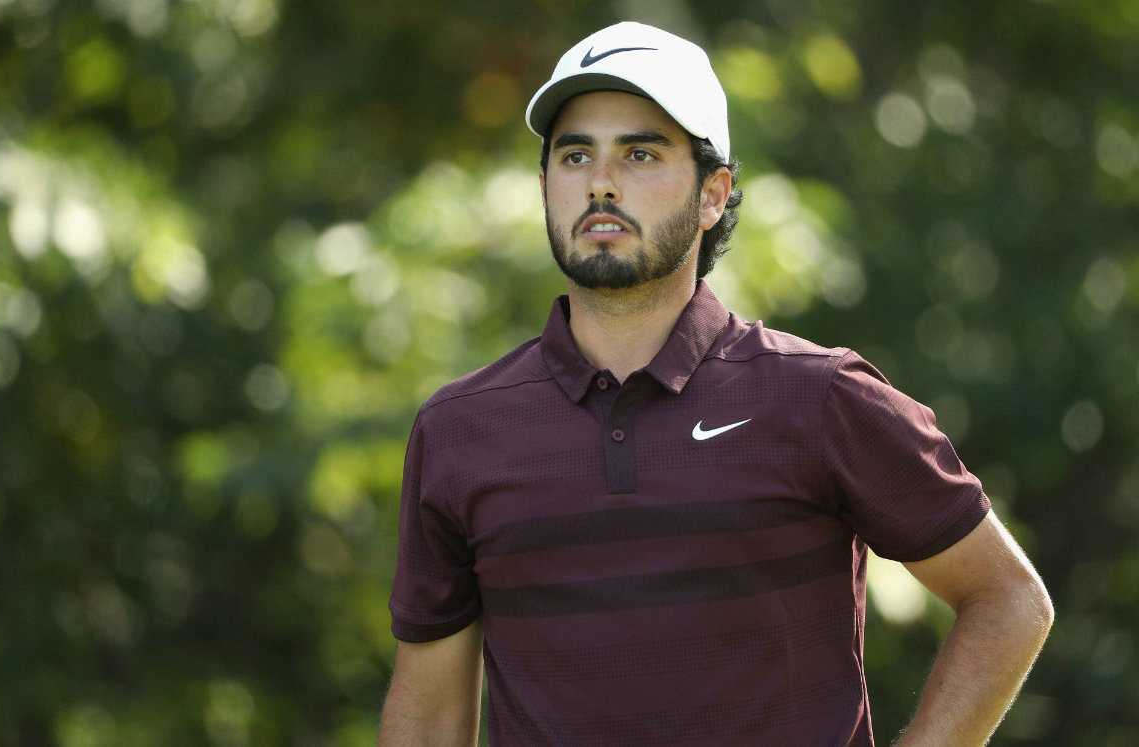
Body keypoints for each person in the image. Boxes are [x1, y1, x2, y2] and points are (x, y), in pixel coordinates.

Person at [378, 21, 1053, 746]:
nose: (601, 181)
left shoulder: (820, 397)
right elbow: (429, 720)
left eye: (640, 153)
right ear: (546, 187)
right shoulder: (459, 428)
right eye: (576, 155)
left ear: (712, 193)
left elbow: (1008, 597)